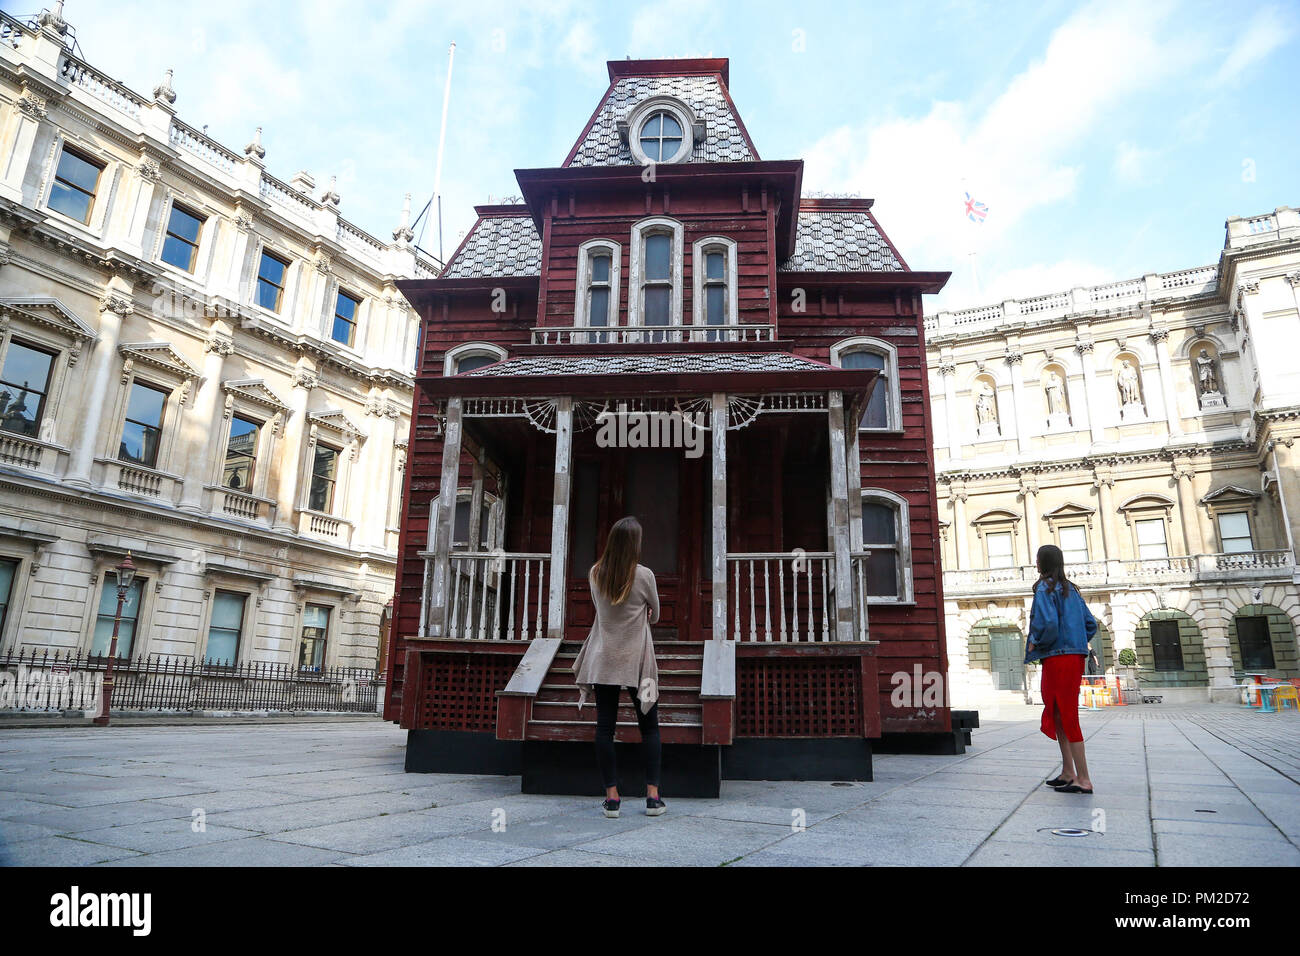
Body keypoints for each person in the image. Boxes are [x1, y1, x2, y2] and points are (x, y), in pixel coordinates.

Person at [572, 516, 666, 818]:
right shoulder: (645, 575)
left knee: (604, 728)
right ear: (635, 544)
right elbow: (655, 617)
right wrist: (644, 611)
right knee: (650, 727)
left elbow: (602, 610)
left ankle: (612, 798)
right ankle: (653, 797)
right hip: (640, 663)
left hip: (604, 661)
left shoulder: (595, 572)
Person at [1025, 543, 1098, 794]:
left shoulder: (1044, 588)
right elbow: (1091, 624)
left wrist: (1037, 641)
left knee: (1065, 713)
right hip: (1073, 656)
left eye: (1037, 559)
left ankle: (1084, 778)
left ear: (1042, 562)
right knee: (1057, 712)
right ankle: (1069, 772)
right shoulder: (1073, 591)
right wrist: (1077, 641)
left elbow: (1047, 623)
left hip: (1058, 657)